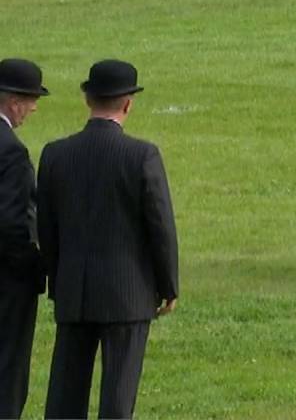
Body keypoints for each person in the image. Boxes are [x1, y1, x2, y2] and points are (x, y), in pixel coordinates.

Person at [39, 60, 179, 420]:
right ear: (128, 103)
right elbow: (159, 227)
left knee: (65, 399)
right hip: (127, 294)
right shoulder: (141, 156)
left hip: (75, 293)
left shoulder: (55, 154)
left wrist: (59, 282)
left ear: (88, 99)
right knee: (117, 398)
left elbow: (47, 229)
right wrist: (168, 286)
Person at [0, 59, 48, 419]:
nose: (32, 109)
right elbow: (14, 227)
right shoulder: (11, 152)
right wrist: (37, 270)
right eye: (31, 100)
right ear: (13, 101)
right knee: (7, 373)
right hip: (6, 286)